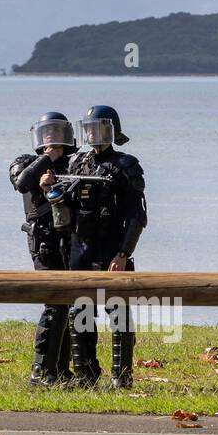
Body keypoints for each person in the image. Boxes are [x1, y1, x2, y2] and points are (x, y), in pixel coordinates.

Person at [64, 105, 147, 389]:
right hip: (81, 249)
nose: (92, 134)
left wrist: (123, 254)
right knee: (79, 312)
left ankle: (120, 378)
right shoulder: (77, 163)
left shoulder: (126, 165)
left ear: (112, 131)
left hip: (112, 248)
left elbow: (137, 216)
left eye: (99, 128)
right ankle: (86, 375)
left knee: (118, 313)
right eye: (88, 128)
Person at [9, 111, 78, 386]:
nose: (52, 137)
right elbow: (21, 182)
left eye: (58, 131)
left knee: (67, 304)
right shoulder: (26, 161)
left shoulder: (76, 163)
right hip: (43, 242)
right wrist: (46, 159)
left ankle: (60, 370)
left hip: (69, 241)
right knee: (55, 302)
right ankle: (41, 371)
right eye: (47, 132)